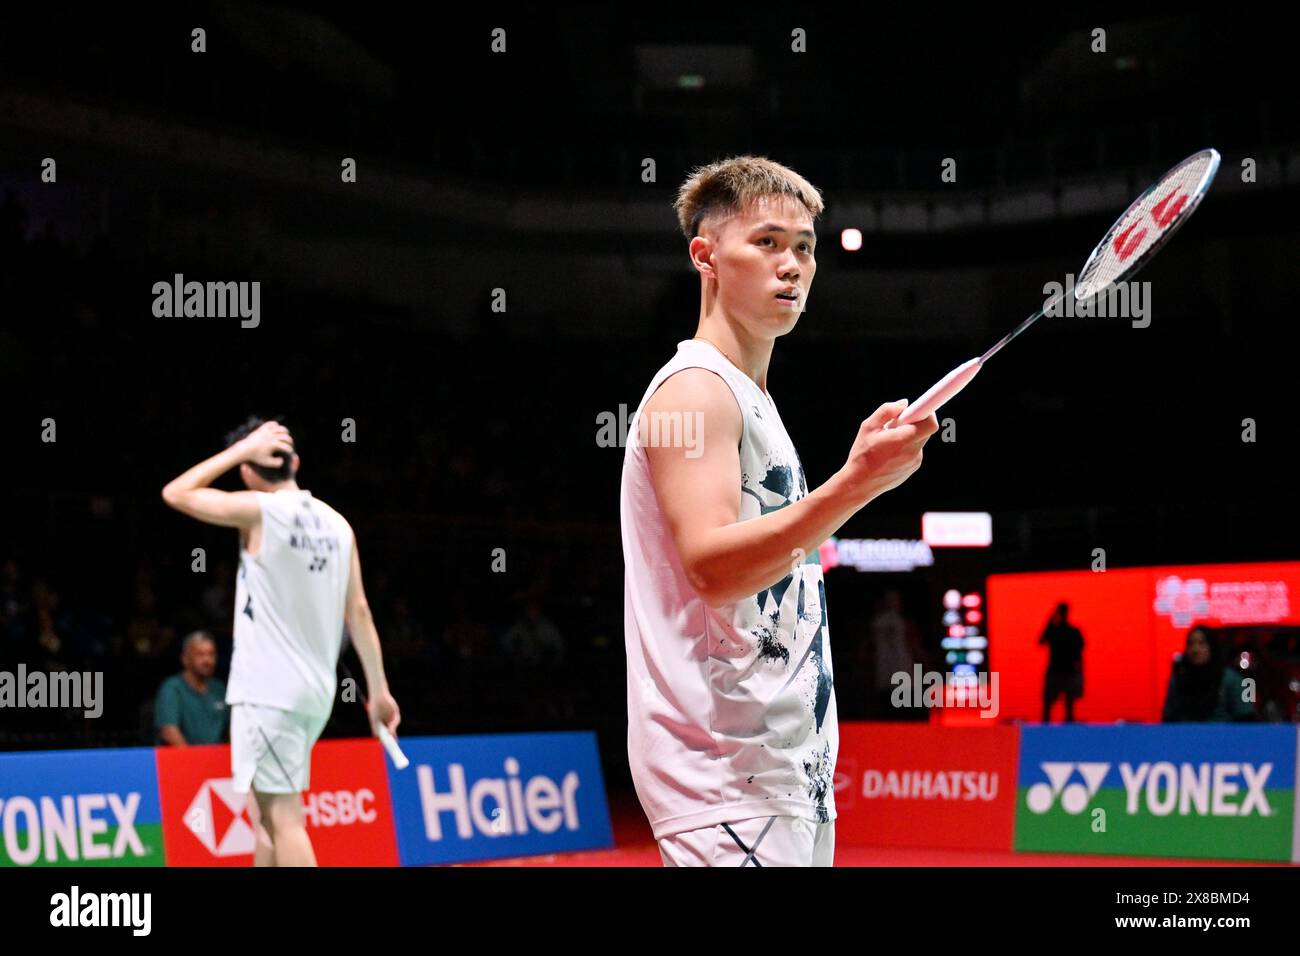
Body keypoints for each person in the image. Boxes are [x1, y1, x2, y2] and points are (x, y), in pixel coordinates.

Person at [621, 155, 938, 867]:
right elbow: (711, 568)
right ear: (705, 255)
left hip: (785, 777)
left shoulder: (753, 401)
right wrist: (854, 485)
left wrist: (858, 481)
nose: (791, 264)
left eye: (804, 247)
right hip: (727, 778)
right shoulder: (695, 393)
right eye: (765, 242)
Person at [162, 417, 399, 866]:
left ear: (250, 473)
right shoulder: (338, 524)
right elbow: (361, 612)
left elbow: (176, 493)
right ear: (296, 464)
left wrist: (240, 450)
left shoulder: (259, 511)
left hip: (268, 691)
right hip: (314, 693)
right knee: (265, 816)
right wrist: (380, 690)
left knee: (285, 818)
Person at [1162, 626, 1255, 722]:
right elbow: (1168, 719)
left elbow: (1246, 718)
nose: (1195, 650)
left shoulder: (1232, 680)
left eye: (1202, 643)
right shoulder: (1177, 680)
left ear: (1212, 647)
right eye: (1190, 644)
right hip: (1184, 735)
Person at [154, 630, 229, 745]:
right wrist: (194, 760)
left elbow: (232, 728)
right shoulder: (173, 688)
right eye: (200, 654)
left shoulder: (219, 688)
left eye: (211, 654)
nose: (207, 660)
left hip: (218, 757)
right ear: (185, 658)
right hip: (184, 759)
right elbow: (169, 731)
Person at [1039, 602, 1084, 723]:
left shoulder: (1071, 632)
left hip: (1066, 671)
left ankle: (1062, 726)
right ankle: (1046, 728)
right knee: (1049, 703)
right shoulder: (1056, 630)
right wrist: (1049, 624)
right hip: (1057, 670)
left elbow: (1079, 652)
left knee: (1068, 704)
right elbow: (1041, 641)